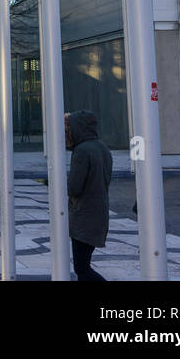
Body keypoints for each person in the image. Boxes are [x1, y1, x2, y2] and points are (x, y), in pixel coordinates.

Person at [66, 110, 113, 283]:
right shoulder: (102, 147)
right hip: (99, 213)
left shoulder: (82, 151)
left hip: (83, 215)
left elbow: (74, 187)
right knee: (83, 265)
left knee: (82, 268)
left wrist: (57, 183)